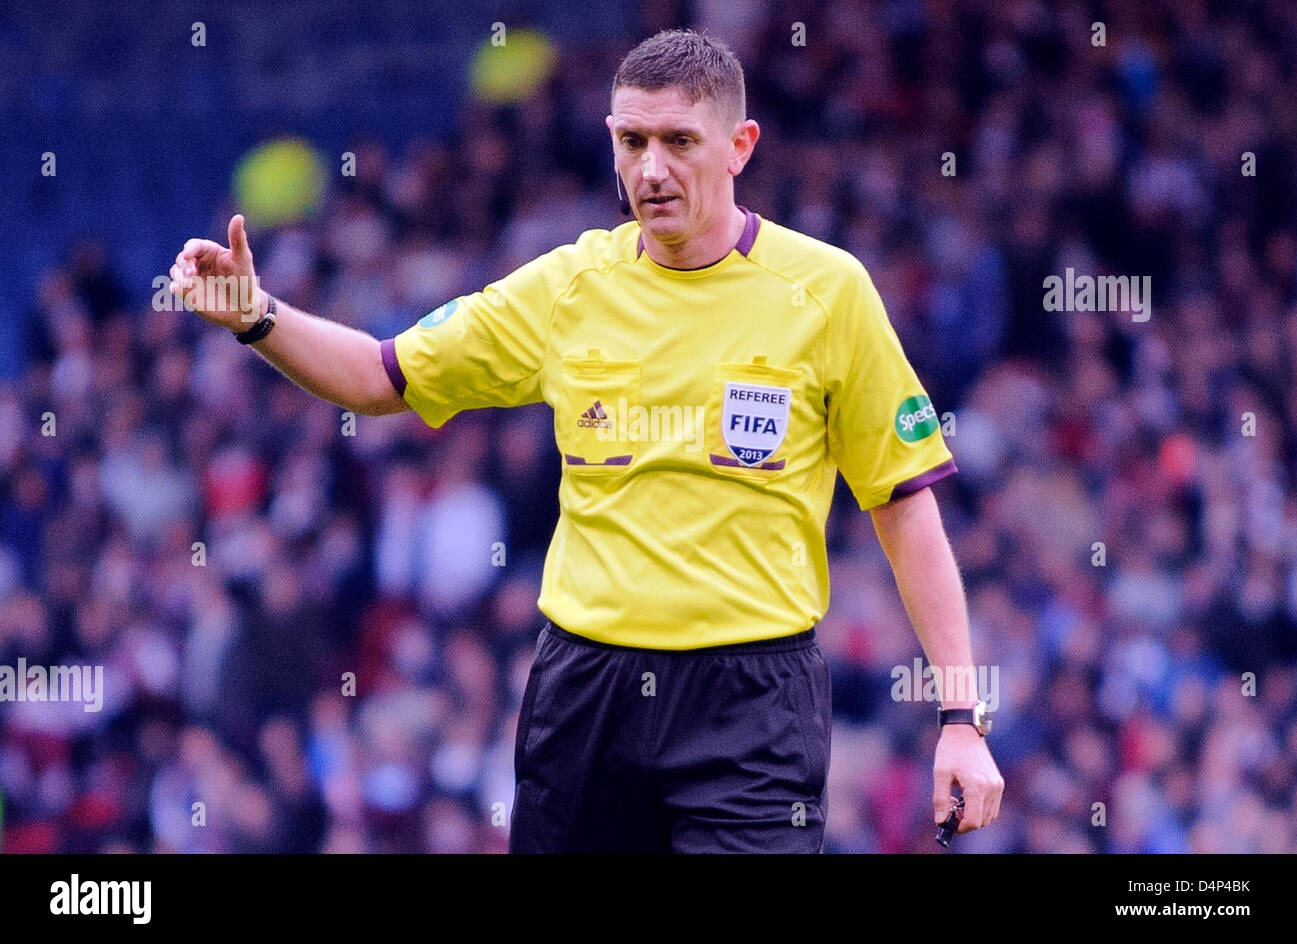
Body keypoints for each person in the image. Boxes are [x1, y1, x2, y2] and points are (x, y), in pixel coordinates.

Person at [168, 28, 1004, 853]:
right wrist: (258, 317)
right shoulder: (567, 286)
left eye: (680, 141)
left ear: (740, 145)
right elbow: (380, 377)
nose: (652, 168)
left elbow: (905, 506)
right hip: (588, 691)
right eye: (633, 140)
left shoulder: (827, 293)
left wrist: (961, 718)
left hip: (752, 703)